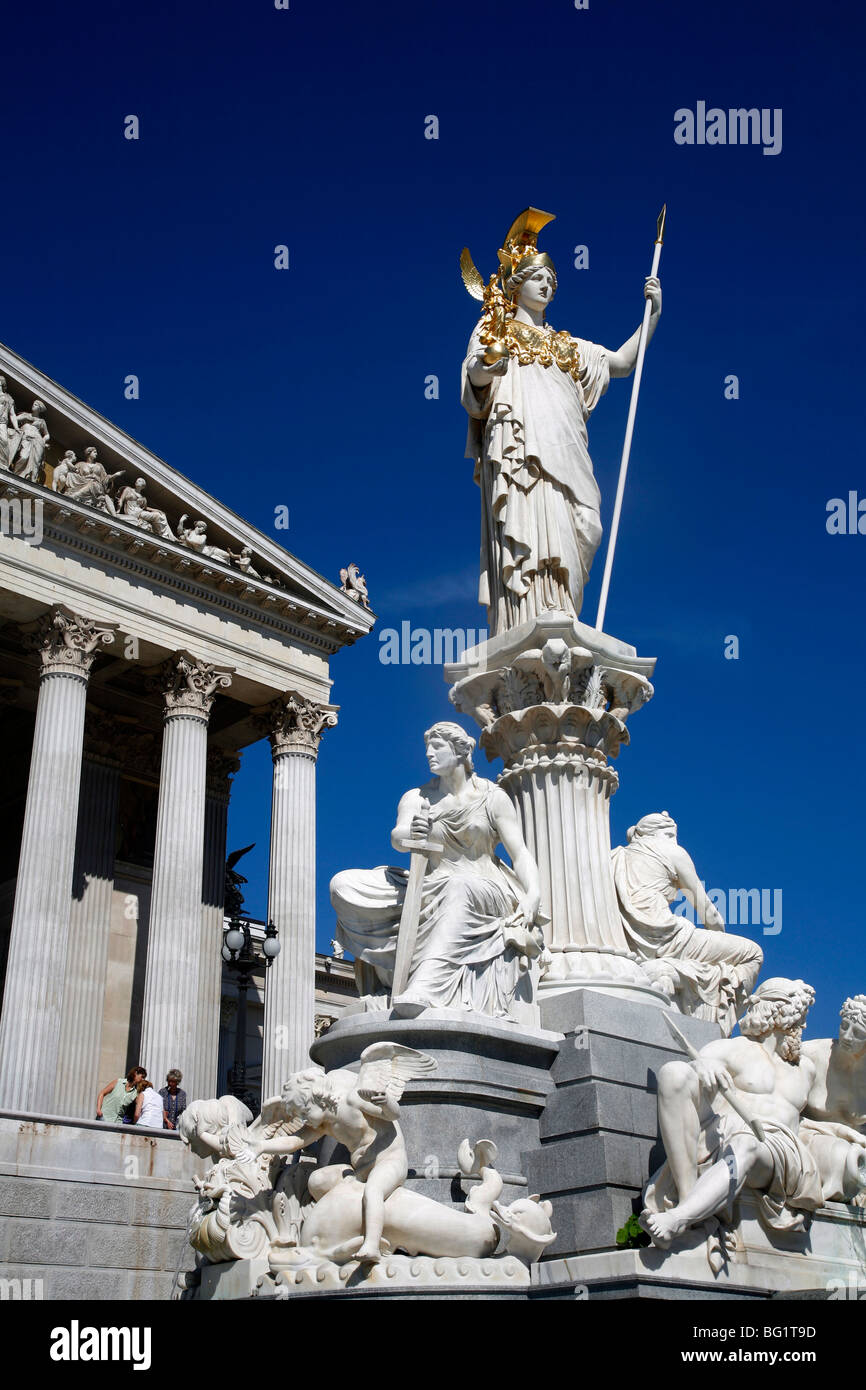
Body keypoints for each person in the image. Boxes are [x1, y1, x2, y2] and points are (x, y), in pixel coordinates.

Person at [461, 207, 661, 634]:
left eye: (552, 281)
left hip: (566, 446)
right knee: (529, 521)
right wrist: (490, 366)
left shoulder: (569, 346)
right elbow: (474, 378)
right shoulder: (495, 331)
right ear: (516, 286)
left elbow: (623, 362)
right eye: (539, 278)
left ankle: (564, 609)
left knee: (586, 523)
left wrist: (652, 316)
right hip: (520, 451)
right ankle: (528, 618)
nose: (548, 285)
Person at [330, 721, 543, 1020]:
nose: (429, 754)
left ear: (459, 752)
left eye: (437, 747)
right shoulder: (417, 797)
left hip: (482, 885)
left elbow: (519, 852)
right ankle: (398, 973)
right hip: (428, 882)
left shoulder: (493, 798)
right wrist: (412, 833)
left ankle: (426, 987)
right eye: (427, 747)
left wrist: (533, 894)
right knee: (343, 884)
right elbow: (398, 836)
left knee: (458, 886)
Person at [641, 979, 824, 1248]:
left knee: (746, 1144)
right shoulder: (733, 1049)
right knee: (674, 1073)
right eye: (799, 1016)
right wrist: (703, 1066)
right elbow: (701, 1063)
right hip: (727, 1134)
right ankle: (690, 1198)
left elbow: (825, 1116)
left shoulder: (806, 1068)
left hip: (781, 1152)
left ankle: (680, 1217)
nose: (803, 1025)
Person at [612, 811, 763, 1033]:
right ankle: (684, 982)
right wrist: (717, 935)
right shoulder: (673, 851)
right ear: (668, 832)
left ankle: (679, 974)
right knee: (752, 953)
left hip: (628, 942)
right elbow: (708, 913)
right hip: (668, 936)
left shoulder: (614, 856)